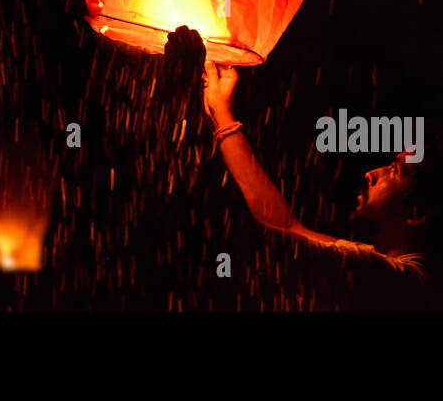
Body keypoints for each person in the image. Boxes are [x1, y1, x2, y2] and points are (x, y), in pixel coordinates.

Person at [165, 26, 425, 279]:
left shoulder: (396, 280)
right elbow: (284, 225)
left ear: (416, 211)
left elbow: (250, 231)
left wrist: (182, 90)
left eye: (394, 170)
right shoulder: (383, 269)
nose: (371, 173)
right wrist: (222, 115)